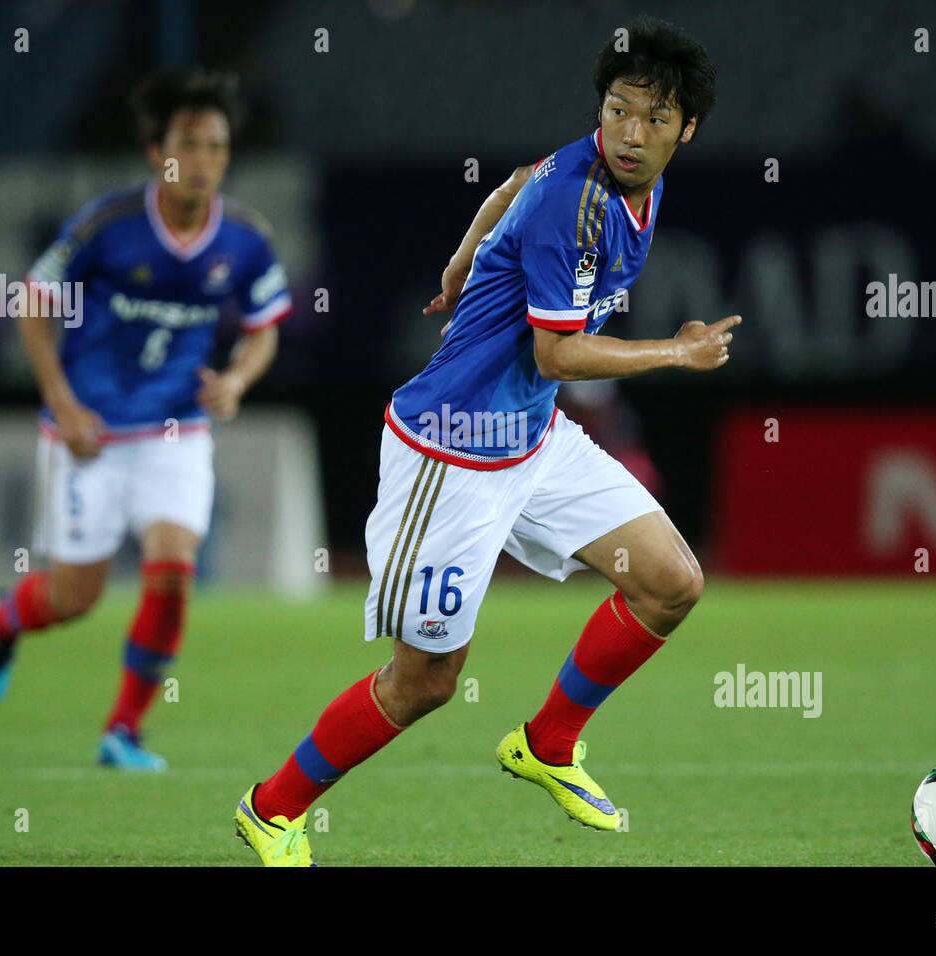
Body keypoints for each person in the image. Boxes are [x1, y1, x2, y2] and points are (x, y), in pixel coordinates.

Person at [235, 16, 736, 864]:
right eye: (617, 110)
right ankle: (272, 808)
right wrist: (677, 352)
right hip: (450, 452)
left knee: (670, 582)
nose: (629, 131)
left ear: (686, 128)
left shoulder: (625, 185)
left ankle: (547, 745)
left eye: (653, 118)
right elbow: (559, 350)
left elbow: (506, 183)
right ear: (600, 109)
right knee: (427, 681)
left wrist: (461, 262)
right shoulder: (575, 200)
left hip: (532, 436)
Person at [0, 69, 291, 771]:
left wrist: (236, 378)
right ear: (157, 152)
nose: (203, 160)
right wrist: (61, 401)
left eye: (216, 146)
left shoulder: (243, 239)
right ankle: (4, 620)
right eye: (189, 144)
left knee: (173, 573)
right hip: (91, 435)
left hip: (176, 431)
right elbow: (32, 302)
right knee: (73, 597)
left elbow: (264, 326)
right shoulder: (107, 227)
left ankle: (123, 731)